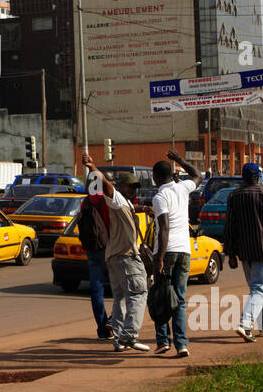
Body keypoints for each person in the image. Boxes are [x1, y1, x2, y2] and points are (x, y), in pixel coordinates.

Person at [83, 152, 149, 352]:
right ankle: (129, 336)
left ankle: (118, 339)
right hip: (125, 256)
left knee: (120, 298)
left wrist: (143, 208)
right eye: (131, 186)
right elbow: (108, 187)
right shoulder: (116, 197)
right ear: (121, 187)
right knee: (139, 293)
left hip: (113, 256)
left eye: (135, 186)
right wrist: (93, 167)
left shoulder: (125, 202)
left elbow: (128, 209)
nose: (134, 190)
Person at [150, 150, 201, 358]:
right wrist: (179, 160)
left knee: (160, 295)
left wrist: (160, 258)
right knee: (179, 298)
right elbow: (197, 175)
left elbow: (164, 228)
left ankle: (163, 341)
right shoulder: (182, 188)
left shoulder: (160, 196)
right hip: (184, 251)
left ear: (156, 177)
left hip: (168, 250)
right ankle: (182, 344)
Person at [224, 163, 263, 341]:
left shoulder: (234, 196)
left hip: (244, 251)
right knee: (259, 289)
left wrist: (231, 253)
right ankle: (245, 324)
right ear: (258, 177)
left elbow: (229, 228)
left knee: (256, 289)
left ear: (243, 177)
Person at [77, 180, 113, 341]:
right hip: (108, 248)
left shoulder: (84, 202)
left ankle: (102, 329)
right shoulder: (107, 200)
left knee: (96, 291)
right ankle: (113, 322)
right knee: (120, 290)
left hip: (91, 248)